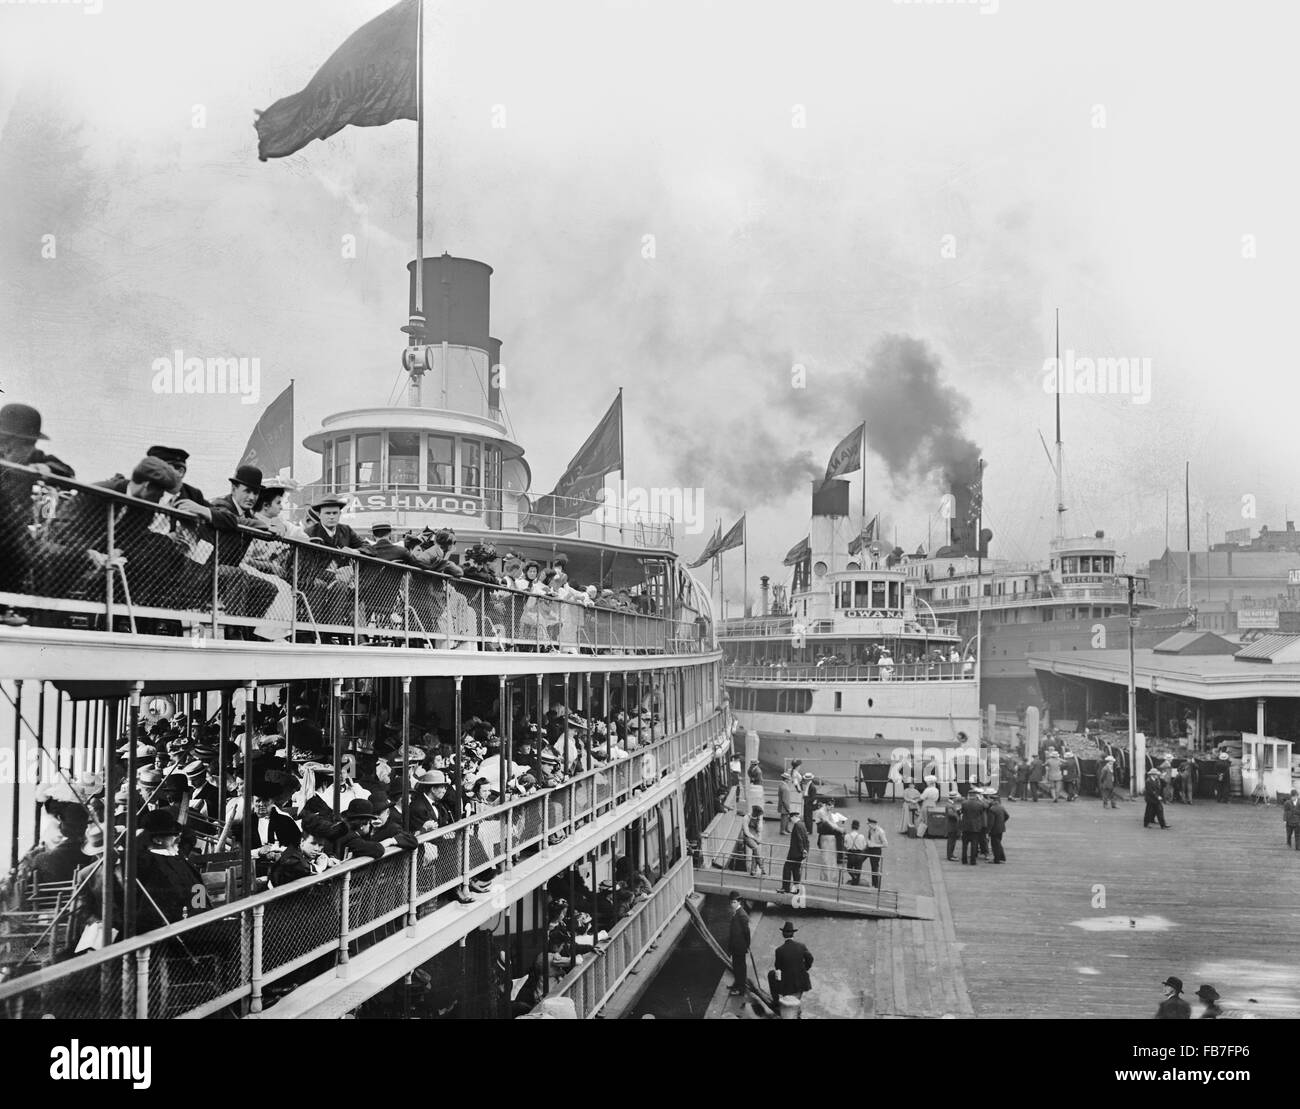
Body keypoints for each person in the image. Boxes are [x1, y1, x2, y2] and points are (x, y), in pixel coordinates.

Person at [767, 921, 813, 1005]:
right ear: (793, 934)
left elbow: (778, 968)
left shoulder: (779, 950)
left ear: (783, 934)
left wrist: (780, 981)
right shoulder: (801, 946)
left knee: (771, 974)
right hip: (801, 981)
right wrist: (804, 969)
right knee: (797, 997)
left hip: (787, 983)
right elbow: (810, 958)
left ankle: (776, 1001)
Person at [727, 892, 750, 996]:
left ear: (739, 902)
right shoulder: (736, 912)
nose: (732, 904)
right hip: (735, 946)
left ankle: (741, 989)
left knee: (740, 968)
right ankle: (737, 984)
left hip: (740, 946)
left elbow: (747, 932)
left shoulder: (742, 915)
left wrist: (747, 945)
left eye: (734, 902)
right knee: (736, 966)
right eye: (731, 902)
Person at [781, 813, 809, 893]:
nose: (790, 820)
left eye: (791, 818)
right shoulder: (802, 825)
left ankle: (785, 888)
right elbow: (806, 839)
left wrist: (801, 849)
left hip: (794, 853)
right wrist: (805, 850)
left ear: (794, 817)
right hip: (800, 854)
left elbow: (799, 839)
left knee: (787, 868)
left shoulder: (797, 825)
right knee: (796, 870)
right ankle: (797, 889)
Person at [960, 788, 986, 865]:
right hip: (975, 827)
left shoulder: (964, 803)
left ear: (969, 795)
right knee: (974, 845)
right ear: (976, 795)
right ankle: (972, 860)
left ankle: (964, 860)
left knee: (964, 845)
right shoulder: (980, 804)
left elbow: (963, 811)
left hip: (965, 827)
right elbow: (983, 810)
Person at [863, 816, 887, 888]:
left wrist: (874, 845)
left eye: (869, 824)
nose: (868, 826)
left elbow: (885, 844)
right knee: (859, 858)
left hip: (876, 850)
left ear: (873, 824)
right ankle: (856, 877)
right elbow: (869, 838)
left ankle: (876, 885)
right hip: (869, 848)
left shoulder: (881, 832)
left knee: (874, 868)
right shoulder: (870, 829)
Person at [844, 819, 868, 885]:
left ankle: (853, 878)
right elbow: (864, 846)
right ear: (858, 827)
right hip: (859, 855)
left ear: (851, 826)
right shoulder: (861, 836)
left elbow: (845, 845)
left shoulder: (847, 836)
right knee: (858, 870)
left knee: (849, 868)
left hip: (850, 854)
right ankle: (856, 882)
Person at [986, 793, 1008, 863]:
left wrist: (988, 831)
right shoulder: (1001, 807)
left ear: (993, 800)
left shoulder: (992, 809)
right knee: (998, 843)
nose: (989, 801)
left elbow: (991, 822)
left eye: (990, 799)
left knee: (995, 845)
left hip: (994, 830)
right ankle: (1002, 857)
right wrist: (1002, 822)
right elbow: (1007, 816)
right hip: (1001, 828)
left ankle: (997, 859)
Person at [944, 791, 962, 862]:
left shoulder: (951, 804)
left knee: (952, 841)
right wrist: (957, 815)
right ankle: (950, 855)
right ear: (954, 798)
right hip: (952, 826)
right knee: (951, 841)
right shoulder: (949, 805)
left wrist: (957, 811)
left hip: (952, 825)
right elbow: (951, 814)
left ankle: (951, 854)